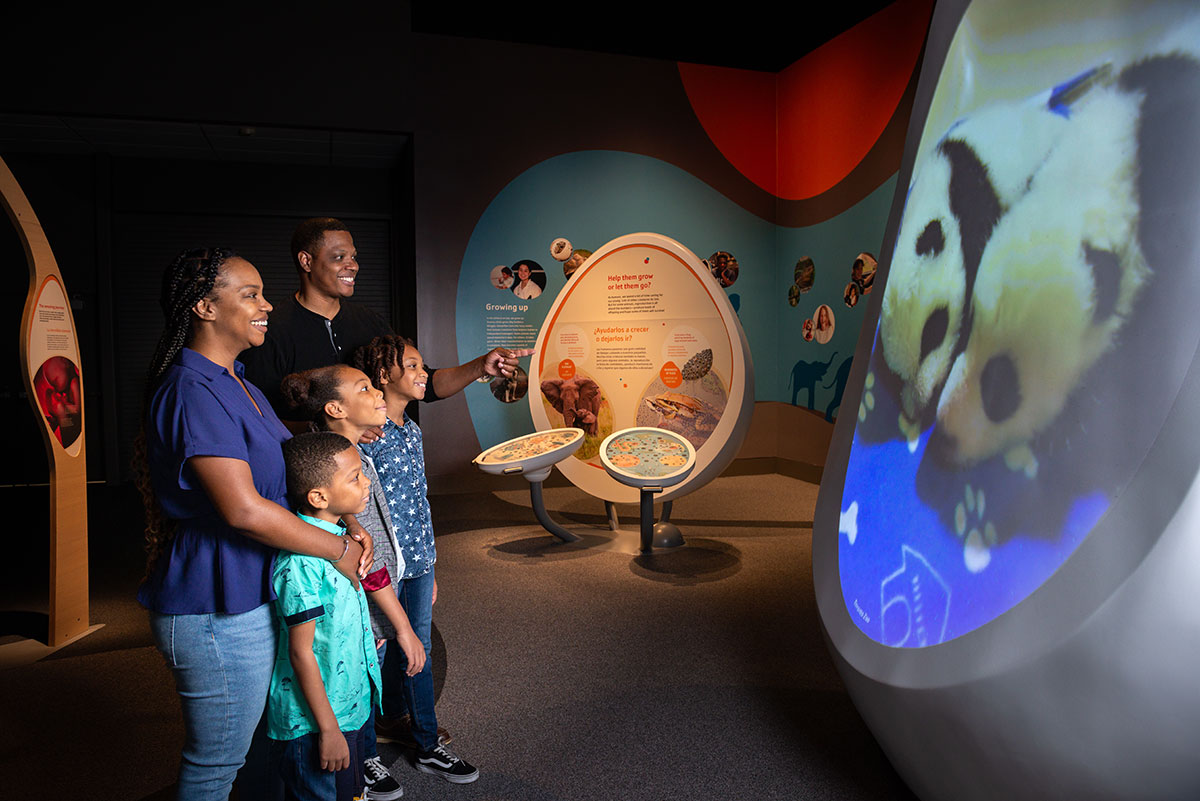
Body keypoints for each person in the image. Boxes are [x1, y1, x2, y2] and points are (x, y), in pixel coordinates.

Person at [134, 247, 375, 800]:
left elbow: (290, 475)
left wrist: (348, 522)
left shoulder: (238, 381)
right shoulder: (191, 390)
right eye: (251, 295)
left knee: (257, 752)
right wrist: (335, 551)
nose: (267, 304)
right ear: (204, 307)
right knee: (217, 763)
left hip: (255, 588)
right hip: (217, 602)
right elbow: (242, 509)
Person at [280, 364, 430, 800]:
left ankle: (363, 766)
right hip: (327, 679)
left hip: (360, 641)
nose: (377, 391)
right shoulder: (307, 552)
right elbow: (365, 561)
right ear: (335, 407)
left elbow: (374, 554)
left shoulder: (356, 459)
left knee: (361, 709)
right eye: (365, 387)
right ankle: (361, 762)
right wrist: (397, 627)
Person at [240, 217, 530, 423]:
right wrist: (341, 427)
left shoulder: (370, 323)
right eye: (339, 257)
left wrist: (480, 365)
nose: (352, 265)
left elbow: (422, 383)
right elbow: (258, 416)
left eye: (353, 256)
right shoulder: (272, 328)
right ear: (306, 261)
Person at [356, 335, 480, 784]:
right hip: (380, 569)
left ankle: (428, 743)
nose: (423, 373)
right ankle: (366, 754)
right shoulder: (365, 436)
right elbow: (356, 507)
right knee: (375, 653)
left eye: (422, 365)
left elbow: (420, 500)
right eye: (412, 366)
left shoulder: (411, 430)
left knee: (418, 652)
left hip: (419, 563)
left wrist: (431, 564)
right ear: (384, 376)